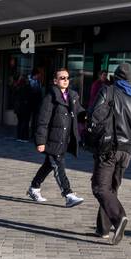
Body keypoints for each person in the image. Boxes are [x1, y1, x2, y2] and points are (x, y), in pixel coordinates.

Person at [87, 62, 131, 243]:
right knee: (111, 190)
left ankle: (119, 217)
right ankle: (103, 229)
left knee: (99, 188)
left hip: (109, 148)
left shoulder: (108, 91)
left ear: (116, 76)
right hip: (127, 151)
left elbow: (95, 115)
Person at [27, 68, 84, 208]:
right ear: (55, 81)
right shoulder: (50, 97)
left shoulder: (73, 96)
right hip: (53, 139)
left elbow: (79, 111)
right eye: (62, 78)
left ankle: (34, 188)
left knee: (49, 165)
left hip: (65, 139)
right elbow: (42, 121)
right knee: (58, 165)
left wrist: (87, 116)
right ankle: (68, 194)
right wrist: (40, 141)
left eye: (67, 78)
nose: (65, 80)